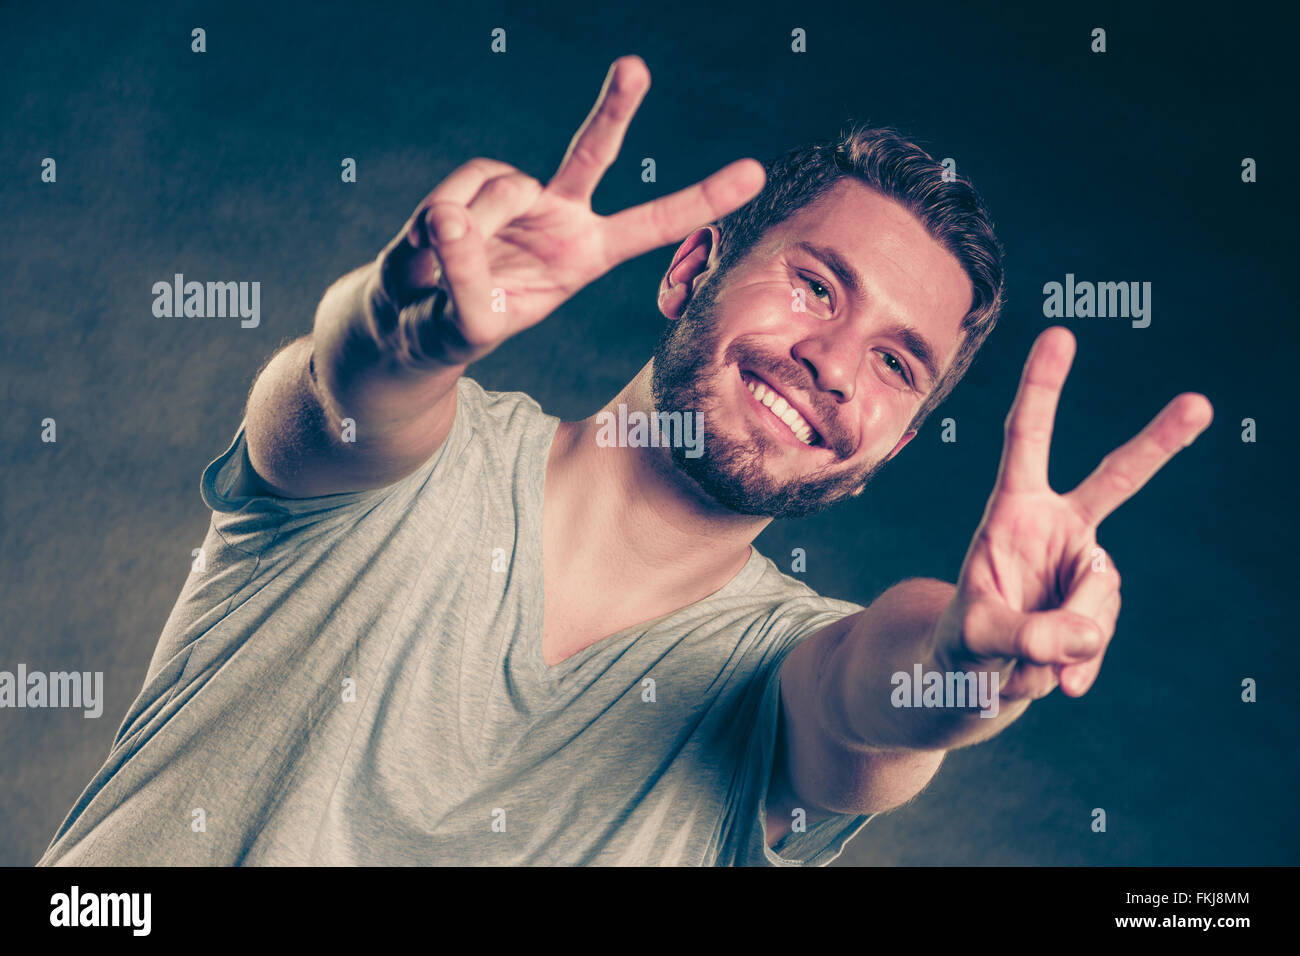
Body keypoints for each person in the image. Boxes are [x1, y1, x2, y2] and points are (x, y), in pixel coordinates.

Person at [38, 55, 1212, 867]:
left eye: (899, 366)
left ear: (891, 449)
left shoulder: (784, 677)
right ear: (689, 266)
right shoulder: (403, 464)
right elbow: (349, 398)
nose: (835, 366)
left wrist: (971, 664)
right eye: (814, 285)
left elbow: (874, 699)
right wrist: (395, 331)